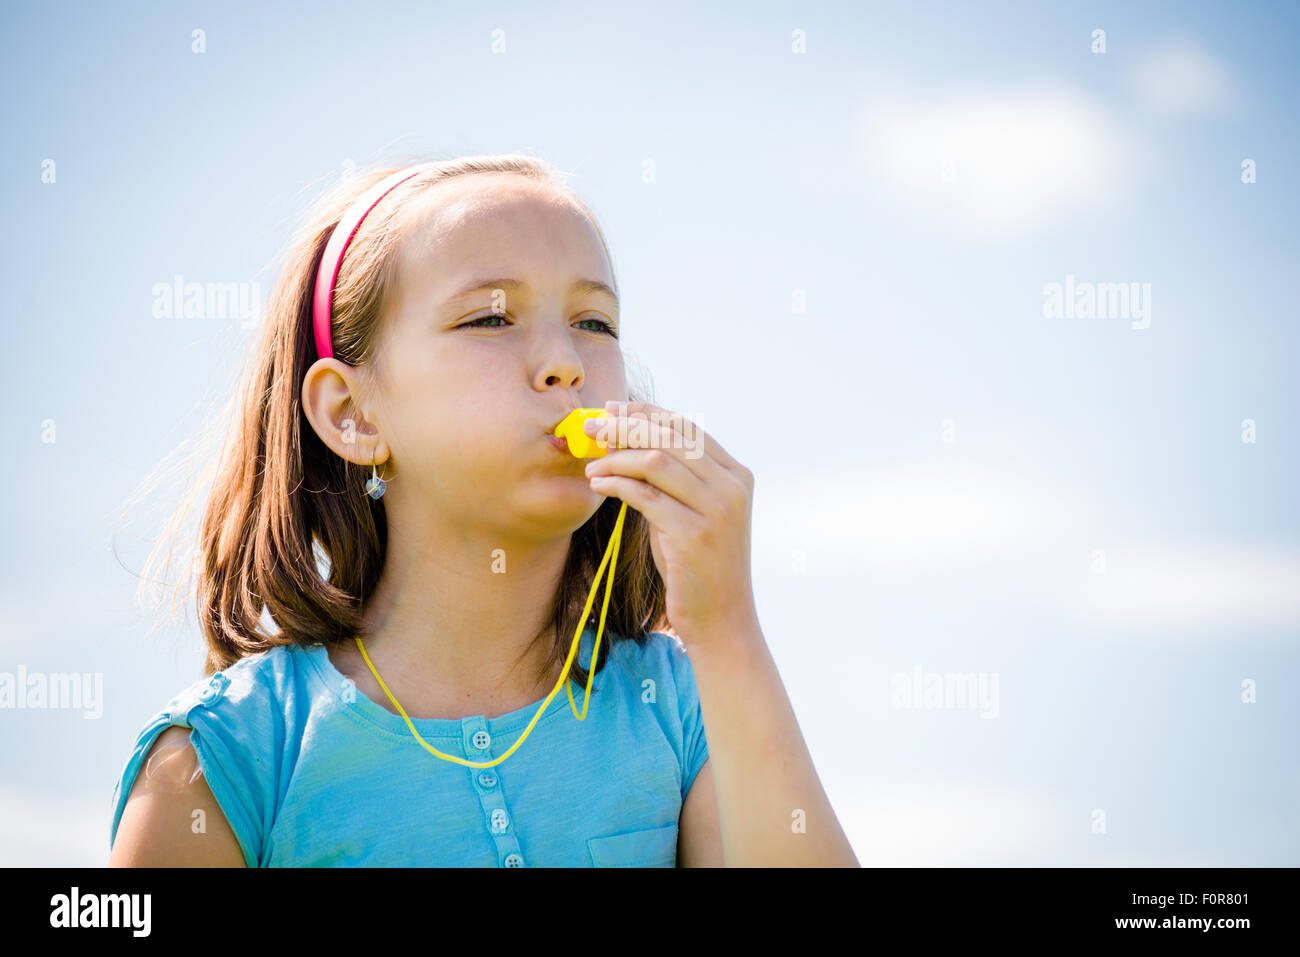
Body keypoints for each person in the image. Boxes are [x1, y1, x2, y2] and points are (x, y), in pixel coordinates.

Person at [108, 153, 858, 867]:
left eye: (594, 322)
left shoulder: (685, 707)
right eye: (492, 319)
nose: (565, 360)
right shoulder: (222, 765)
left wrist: (727, 628)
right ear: (353, 413)